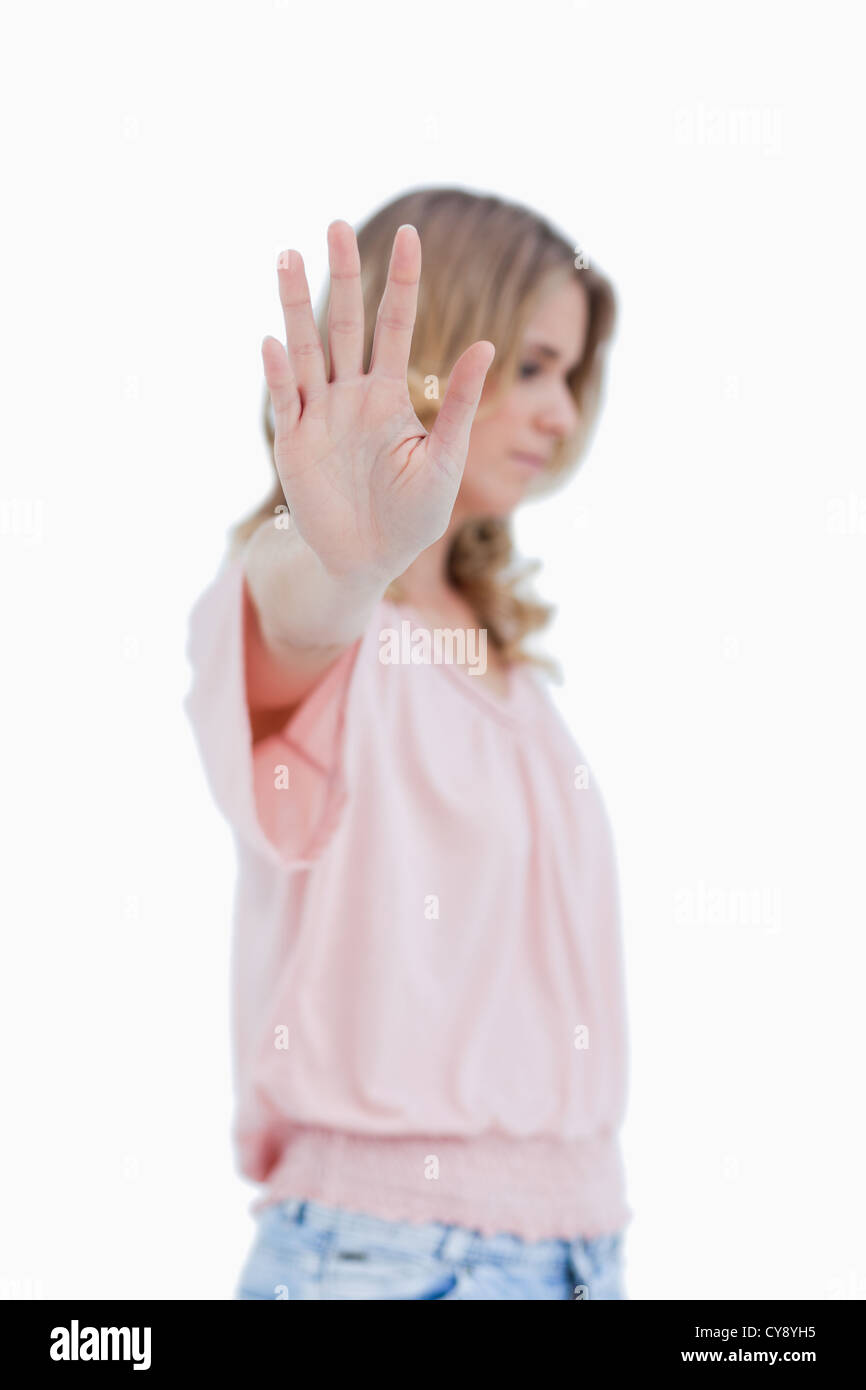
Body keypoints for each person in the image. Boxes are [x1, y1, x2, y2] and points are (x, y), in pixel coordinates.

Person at [183, 187, 632, 1299]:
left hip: (576, 1250)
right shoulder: (313, 608)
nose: (559, 415)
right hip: (387, 1258)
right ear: (432, 354)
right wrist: (338, 553)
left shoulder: (513, 667)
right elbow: (298, 610)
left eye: (568, 377)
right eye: (526, 367)